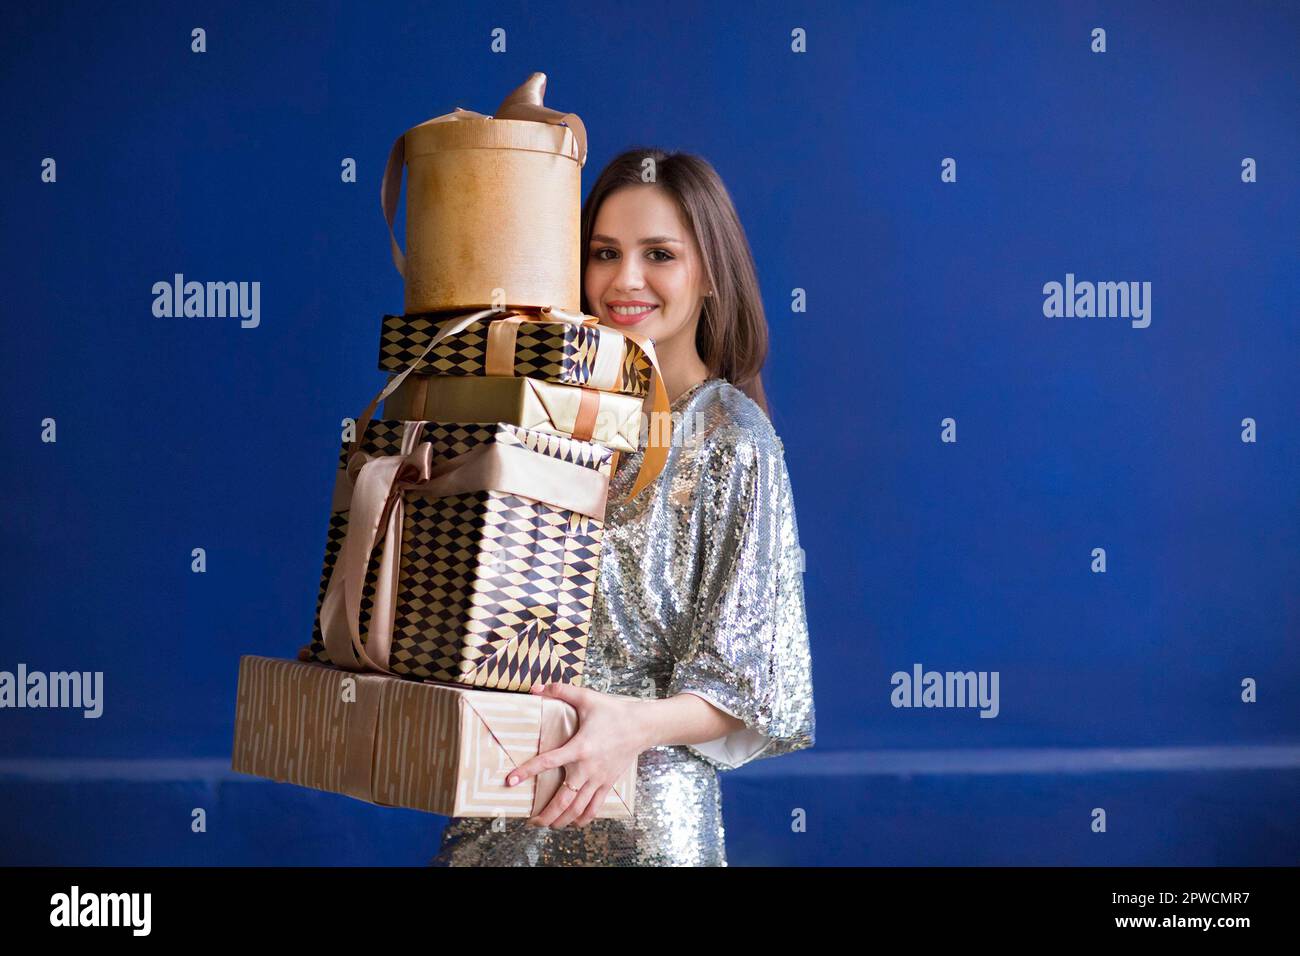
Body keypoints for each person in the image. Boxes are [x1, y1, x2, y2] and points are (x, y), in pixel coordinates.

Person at [428, 147, 816, 866]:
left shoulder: (731, 437)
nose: (624, 280)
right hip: (503, 794)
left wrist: (627, 726)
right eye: (604, 252)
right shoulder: (546, 416)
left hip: (640, 818)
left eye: (659, 254)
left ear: (709, 279)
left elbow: (754, 685)